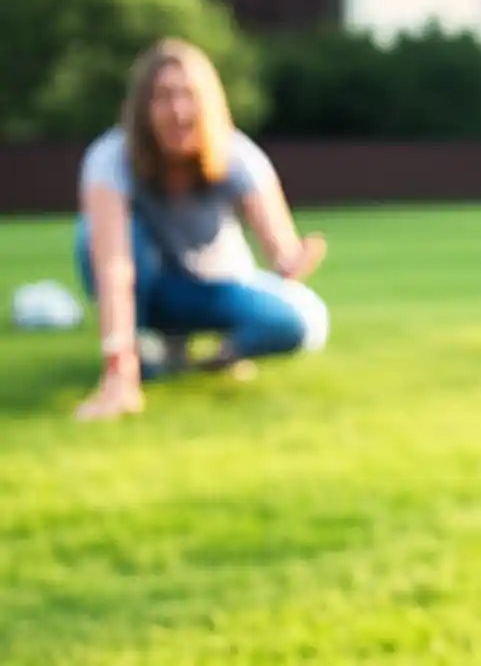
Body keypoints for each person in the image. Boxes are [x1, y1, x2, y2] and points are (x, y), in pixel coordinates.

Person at [74, 38, 329, 422]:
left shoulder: (238, 154)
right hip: (149, 286)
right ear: (142, 108)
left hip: (211, 289)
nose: (178, 111)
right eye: (163, 96)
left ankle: (212, 358)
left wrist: (294, 261)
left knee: (305, 319)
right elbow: (114, 267)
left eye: (188, 95)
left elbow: (280, 251)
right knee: (91, 234)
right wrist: (117, 370)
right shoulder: (110, 158)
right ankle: (140, 352)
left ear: (208, 103)